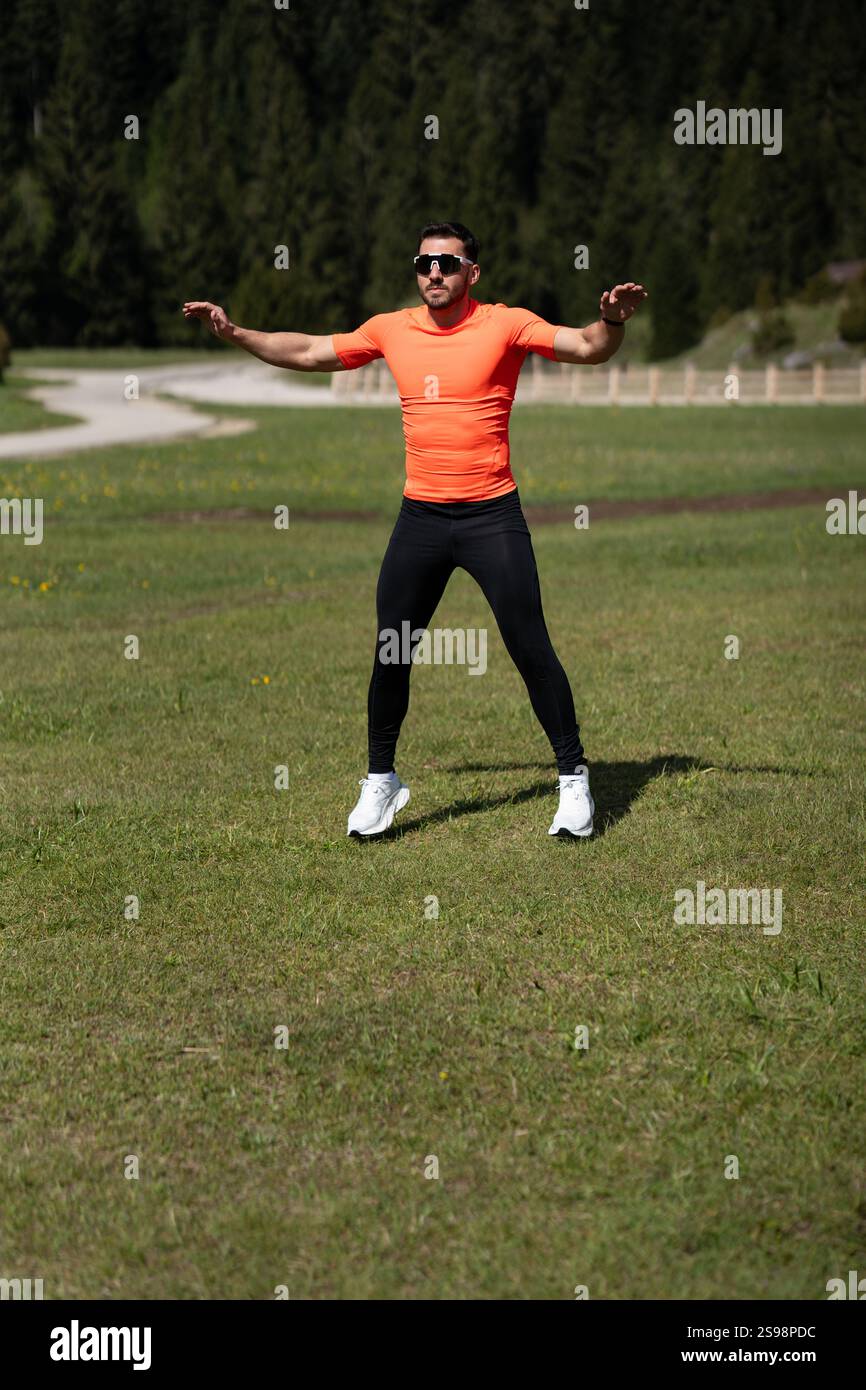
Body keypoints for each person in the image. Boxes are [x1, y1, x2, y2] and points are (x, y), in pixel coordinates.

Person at [183, 221, 647, 839]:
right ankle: (381, 780)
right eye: (424, 262)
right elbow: (311, 352)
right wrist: (235, 332)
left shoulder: (507, 324)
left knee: (529, 646)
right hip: (420, 519)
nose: (433, 272)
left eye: (447, 264)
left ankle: (573, 780)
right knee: (392, 649)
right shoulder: (391, 329)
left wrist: (611, 320)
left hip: (491, 516)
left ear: (471, 274)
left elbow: (589, 347)